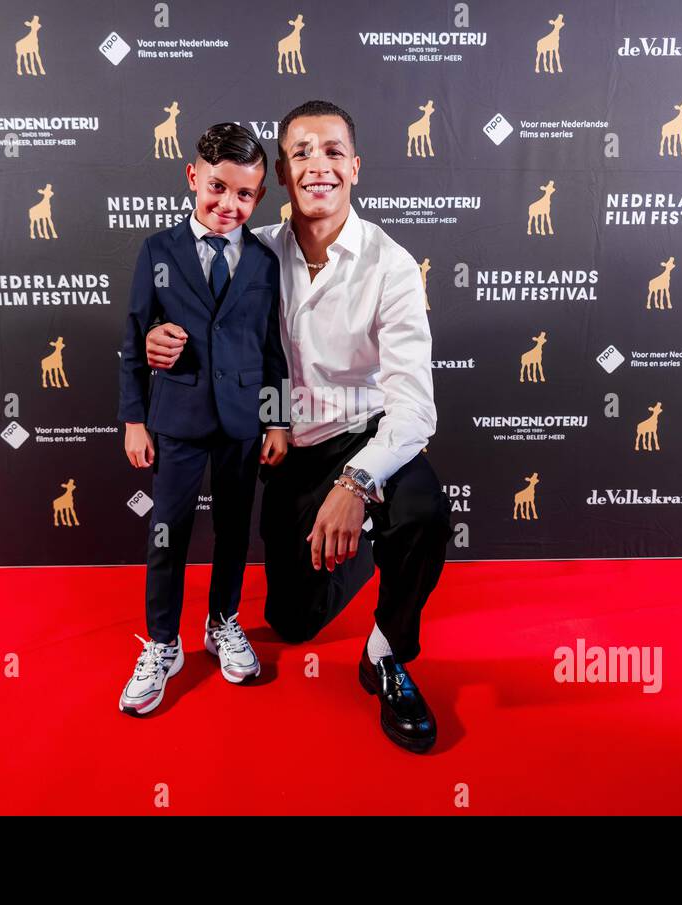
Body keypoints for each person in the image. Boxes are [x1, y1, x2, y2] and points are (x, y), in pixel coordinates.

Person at [145, 101, 452, 753]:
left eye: (334, 151)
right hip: (289, 451)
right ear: (283, 173)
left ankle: (389, 653)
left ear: (355, 168)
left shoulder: (391, 264)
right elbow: (217, 339)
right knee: (293, 621)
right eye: (303, 152)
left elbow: (415, 407)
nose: (320, 164)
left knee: (423, 509)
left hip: (366, 438)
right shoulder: (252, 259)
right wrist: (160, 338)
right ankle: (360, 543)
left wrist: (358, 481)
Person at [116, 123, 289, 715]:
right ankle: (163, 643)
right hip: (178, 420)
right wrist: (134, 419)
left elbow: (273, 350)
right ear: (193, 177)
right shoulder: (157, 251)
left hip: (243, 425)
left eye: (244, 195)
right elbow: (135, 338)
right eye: (217, 187)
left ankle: (223, 621)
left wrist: (277, 421)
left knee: (236, 531)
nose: (228, 204)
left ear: (259, 197)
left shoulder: (264, 262)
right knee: (168, 534)